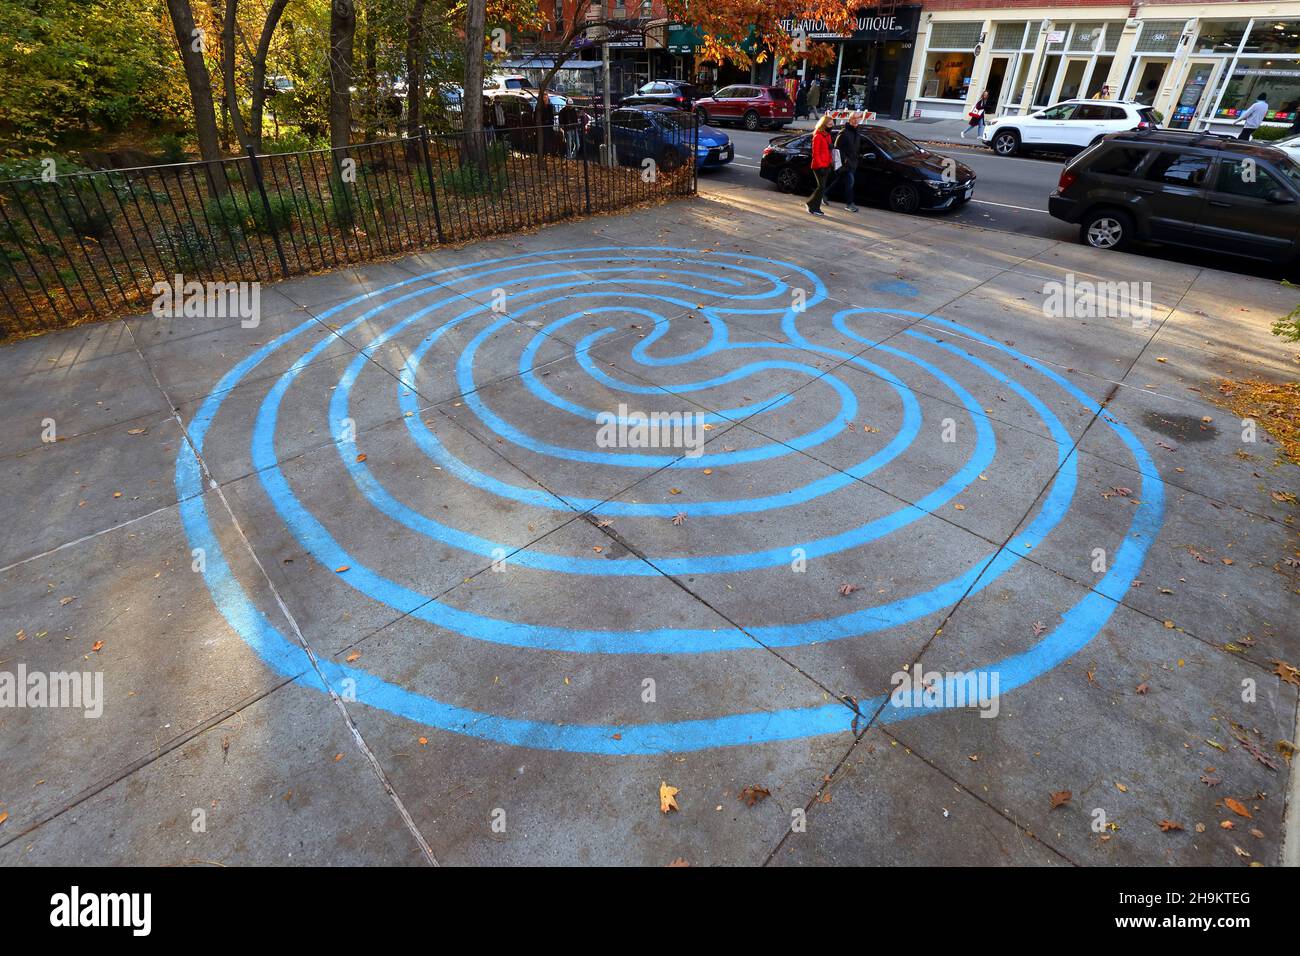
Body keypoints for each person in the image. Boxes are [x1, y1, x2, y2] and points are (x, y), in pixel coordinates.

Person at [829, 111, 864, 212]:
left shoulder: (857, 131)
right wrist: (843, 161)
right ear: (850, 119)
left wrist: (857, 157)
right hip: (845, 163)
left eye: (858, 118)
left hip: (853, 163)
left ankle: (824, 195)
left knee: (839, 181)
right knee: (850, 182)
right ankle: (849, 204)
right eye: (854, 118)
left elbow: (856, 148)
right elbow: (836, 148)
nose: (856, 120)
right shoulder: (844, 132)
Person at [806, 113, 834, 216]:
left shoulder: (828, 136)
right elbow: (815, 153)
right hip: (819, 166)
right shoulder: (818, 136)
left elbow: (828, 152)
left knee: (822, 187)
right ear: (824, 125)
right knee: (821, 187)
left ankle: (813, 205)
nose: (832, 126)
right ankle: (813, 206)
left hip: (826, 164)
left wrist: (830, 162)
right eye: (830, 124)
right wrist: (821, 165)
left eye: (832, 124)